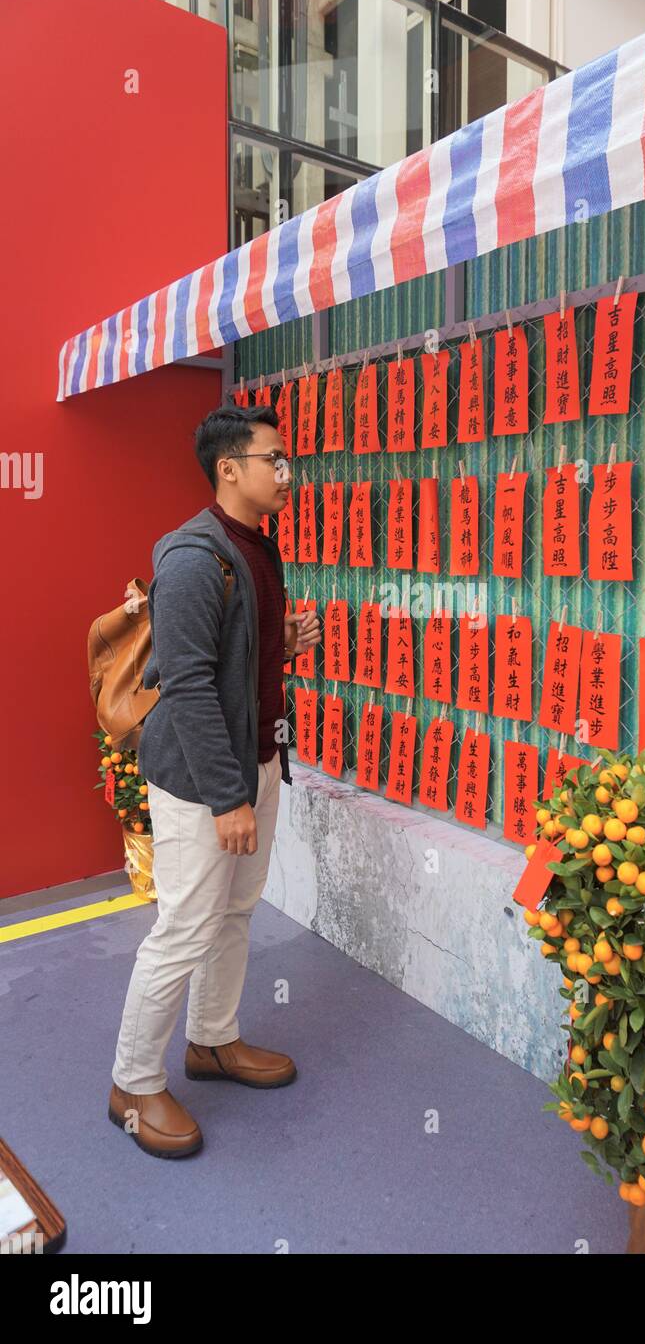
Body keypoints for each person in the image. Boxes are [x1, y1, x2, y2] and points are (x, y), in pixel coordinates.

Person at [109, 404, 321, 1159]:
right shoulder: (197, 557)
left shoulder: (256, 547)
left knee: (234, 914)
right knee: (184, 928)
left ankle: (212, 1041)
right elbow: (190, 684)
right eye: (275, 459)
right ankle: (133, 1082)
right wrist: (228, 797)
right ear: (230, 468)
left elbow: (229, 658)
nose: (286, 472)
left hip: (257, 759)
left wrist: (280, 642)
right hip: (205, 778)